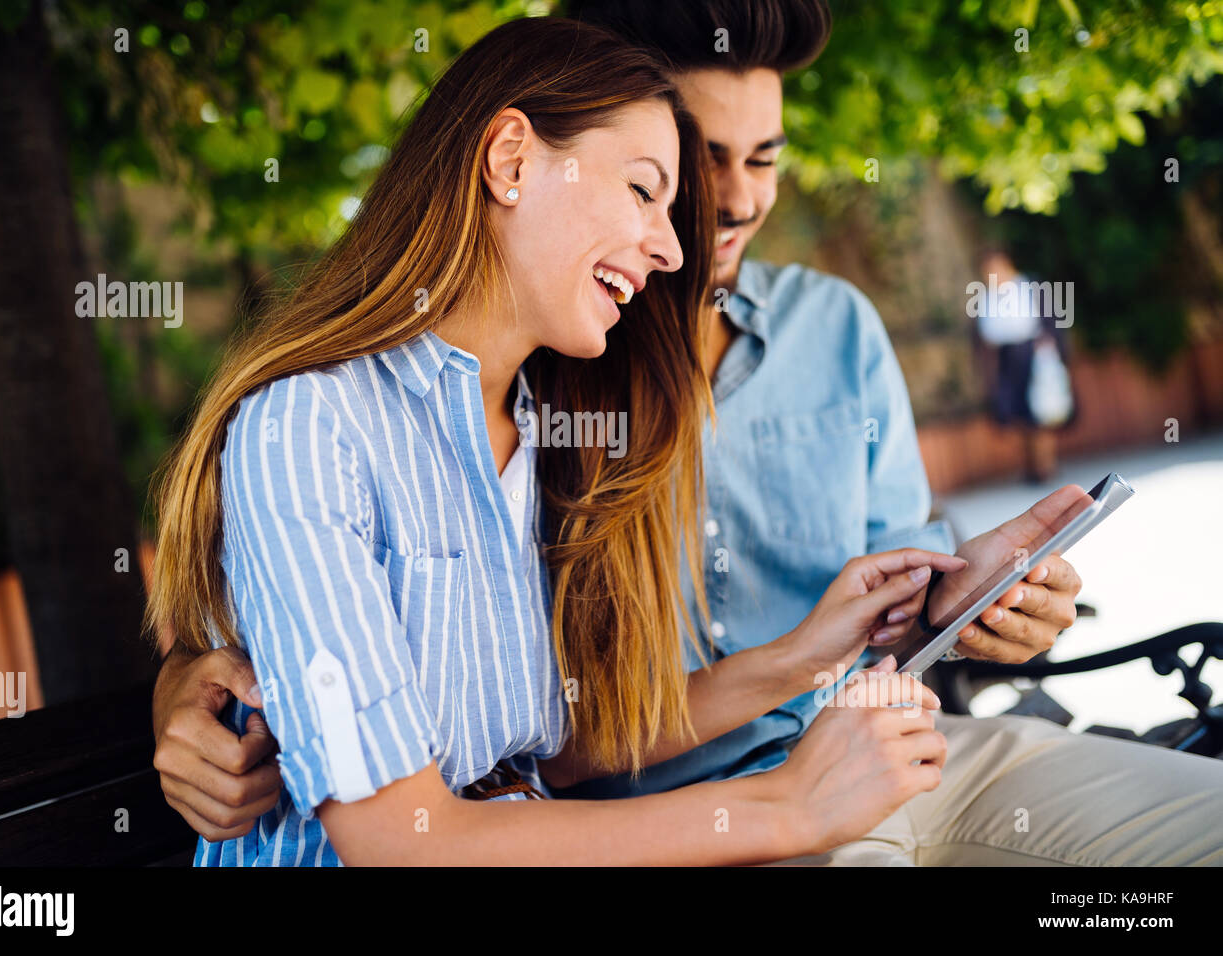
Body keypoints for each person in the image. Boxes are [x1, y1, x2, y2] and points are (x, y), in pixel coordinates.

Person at [152, 3, 1223, 865]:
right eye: (665, 179)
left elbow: (533, 753)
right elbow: (370, 779)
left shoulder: (522, 414)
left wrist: (921, 613)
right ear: (513, 159)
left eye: (761, 160)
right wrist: (786, 807)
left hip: (858, 761)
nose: (700, 229)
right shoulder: (409, 405)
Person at [974, 245, 1073, 484]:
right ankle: (1031, 465)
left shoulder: (1030, 287)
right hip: (1008, 361)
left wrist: (1055, 352)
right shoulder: (986, 299)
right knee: (1019, 415)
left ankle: (1045, 466)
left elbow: (1051, 322)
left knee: (1041, 413)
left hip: (1034, 354)